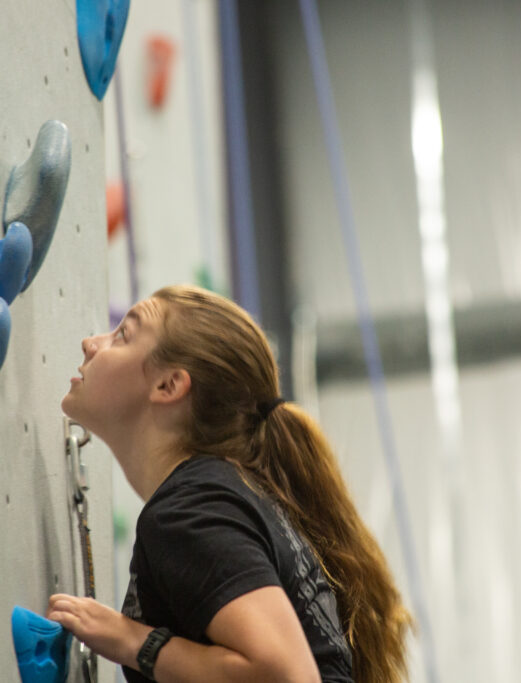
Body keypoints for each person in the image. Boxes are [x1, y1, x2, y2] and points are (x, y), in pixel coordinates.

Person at [48, 285, 411, 682]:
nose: (91, 343)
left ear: (169, 386)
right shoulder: (223, 497)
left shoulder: (192, 508)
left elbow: (285, 675)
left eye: (123, 335)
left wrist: (131, 641)